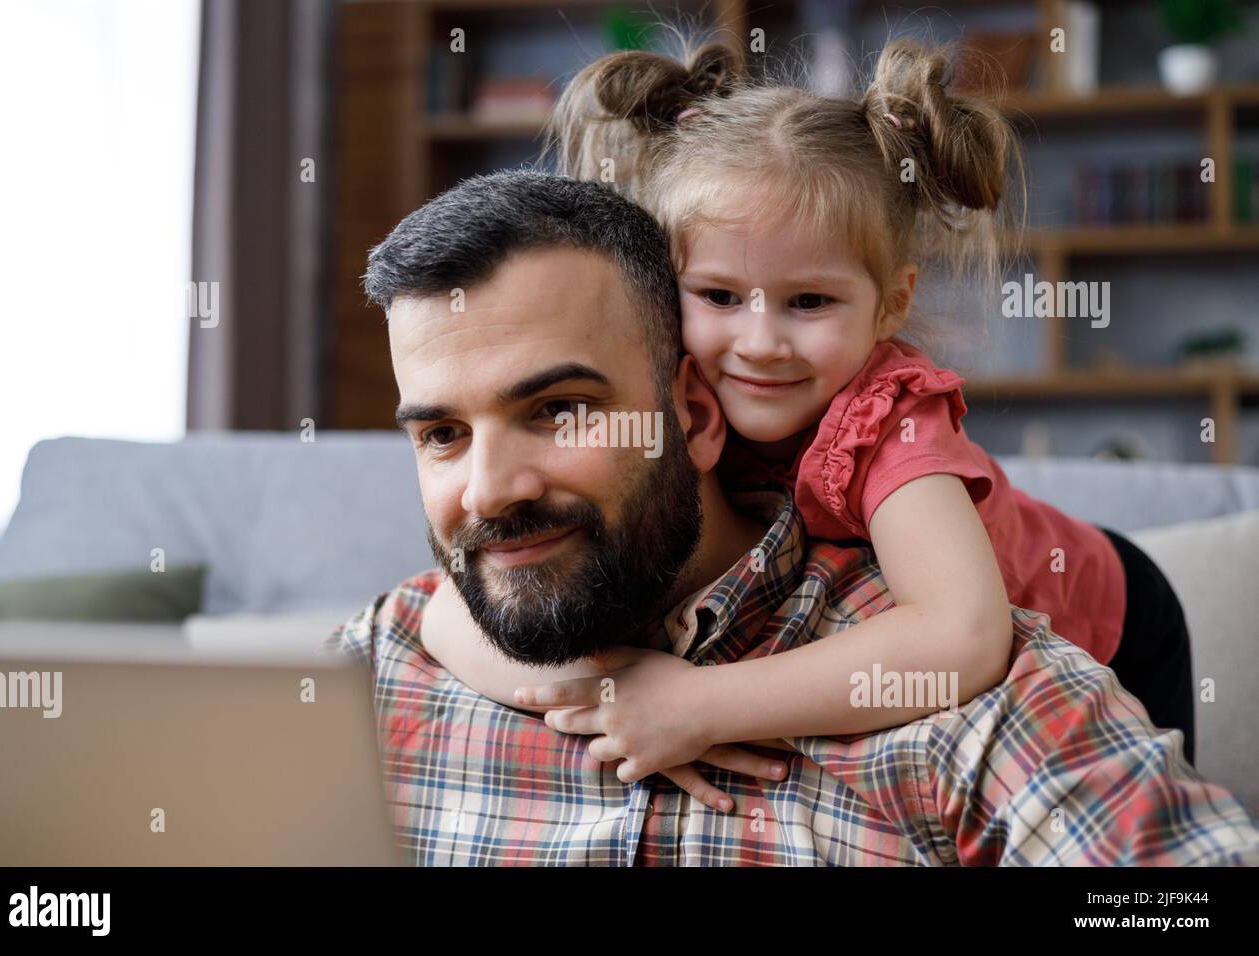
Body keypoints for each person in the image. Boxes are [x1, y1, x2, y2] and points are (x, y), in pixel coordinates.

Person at [324, 166, 1259, 865]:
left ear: (693, 416)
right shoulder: (376, 665)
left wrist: (699, 702)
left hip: (1111, 600)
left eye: (560, 410)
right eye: (442, 433)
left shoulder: (957, 692)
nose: (488, 491)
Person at [420, 37, 1196, 799]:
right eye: (720, 296)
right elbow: (444, 615)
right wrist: (600, 692)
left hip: (1119, 616)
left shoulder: (891, 420)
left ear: (891, 303)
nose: (760, 344)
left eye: (810, 302)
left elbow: (961, 638)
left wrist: (695, 705)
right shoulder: (669, 399)